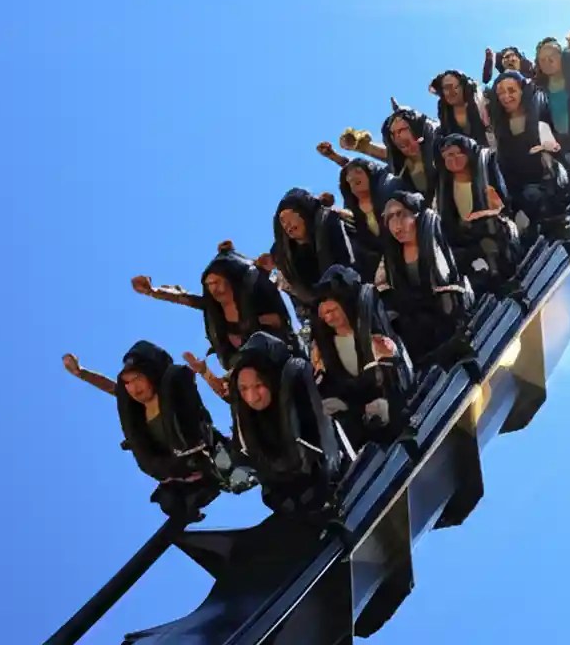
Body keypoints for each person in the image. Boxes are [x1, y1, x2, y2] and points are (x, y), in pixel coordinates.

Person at [60, 343, 256, 516]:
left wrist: (203, 372)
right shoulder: (135, 409)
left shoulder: (172, 393)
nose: (134, 388)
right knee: (169, 502)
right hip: (180, 470)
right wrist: (81, 372)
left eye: (137, 379)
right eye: (128, 382)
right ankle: (193, 497)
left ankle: (237, 468)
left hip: (208, 451)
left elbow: (192, 402)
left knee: (236, 463)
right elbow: (111, 387)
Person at [228, 331, 348, 517]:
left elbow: (324, 441)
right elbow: (241, 455)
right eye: (244, 389)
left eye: (258, 385)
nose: (252, 397)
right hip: (286, 495)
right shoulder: (245, 414)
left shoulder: (297, 383)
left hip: (327, 481)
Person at [131, 241, 297, 372]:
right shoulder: (212, 308)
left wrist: (254, 323)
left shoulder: (254, 297)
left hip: (277, 357)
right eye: (209, 284)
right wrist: (153, 291)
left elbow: (278, 321)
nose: (214, 288)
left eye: (217, 282)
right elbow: (182, 297)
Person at [309, 265, 415, 450]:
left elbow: (395, 371)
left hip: (385, 400)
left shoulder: (373, 333)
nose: (329, 317)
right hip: (353, 406)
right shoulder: (324, 347)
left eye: (333, 310)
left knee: (382, 410)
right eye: (325, 313)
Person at [375, 191, 474, 366]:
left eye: (401, 215)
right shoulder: (390, 257)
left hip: (448, 302)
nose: (397, 225)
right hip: (417, 312)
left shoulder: (435, 236)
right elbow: (381, 286)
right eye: (390, 218)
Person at [435, 134, 522, 293]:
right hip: (466, 239)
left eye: (456, 153)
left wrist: (483, 214)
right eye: (447, 156)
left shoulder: (486, 169)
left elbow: (502, 205)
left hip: (493, 230)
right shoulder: (444, 187)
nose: (453, 159)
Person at [487, 70, 569, 232]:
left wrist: (548, 147)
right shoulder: (498, 128)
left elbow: (551, 135)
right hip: (521, 192)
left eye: (511, 91)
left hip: (551, 182)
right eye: (501, 93)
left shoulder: (540, 109)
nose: (506, 97)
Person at [262, 188, 356, 313]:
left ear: (303, 213)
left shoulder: (331, 221)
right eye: (282, 222)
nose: (287, 225)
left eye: (290, 217)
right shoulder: (290, 260)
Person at [330, 157, 402, 280]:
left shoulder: (390, 192)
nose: (354, 179)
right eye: (349, 180)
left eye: (358, 172)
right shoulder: (351, 216)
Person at [381, 103, 443, 201]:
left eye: (402, 129)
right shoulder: (400, 172)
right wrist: (364, 147)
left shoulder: (443, 148)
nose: (398, 136)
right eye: (394, 133)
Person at [430, 69, 494, 148]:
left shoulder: (483, 102)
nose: (451, 92)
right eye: (446, 88)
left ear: (464, 87)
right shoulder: (445, 117)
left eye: (454, 87)